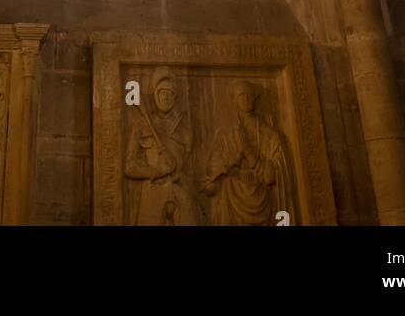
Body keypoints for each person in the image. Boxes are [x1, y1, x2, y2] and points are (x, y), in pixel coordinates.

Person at [202, 82, 295, 226]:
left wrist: (247, 151)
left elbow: (271, 177)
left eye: (249, 95)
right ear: (235, 101)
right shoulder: (226, 135)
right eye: (242, 95)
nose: (246, 98)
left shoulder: (269, 135)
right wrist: (233, 169)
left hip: (262, 197)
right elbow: (211, 181)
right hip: (232, 198)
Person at [124, 70, 200, 225]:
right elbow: (129, 167)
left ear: (175, 97)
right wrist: (156, 171)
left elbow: (191, 162)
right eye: (162, 92)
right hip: (153, 192)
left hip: (181, 190)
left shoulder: (184, 127)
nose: (166, 96)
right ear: (155, 95)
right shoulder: (142, 124)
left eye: (170, 93)